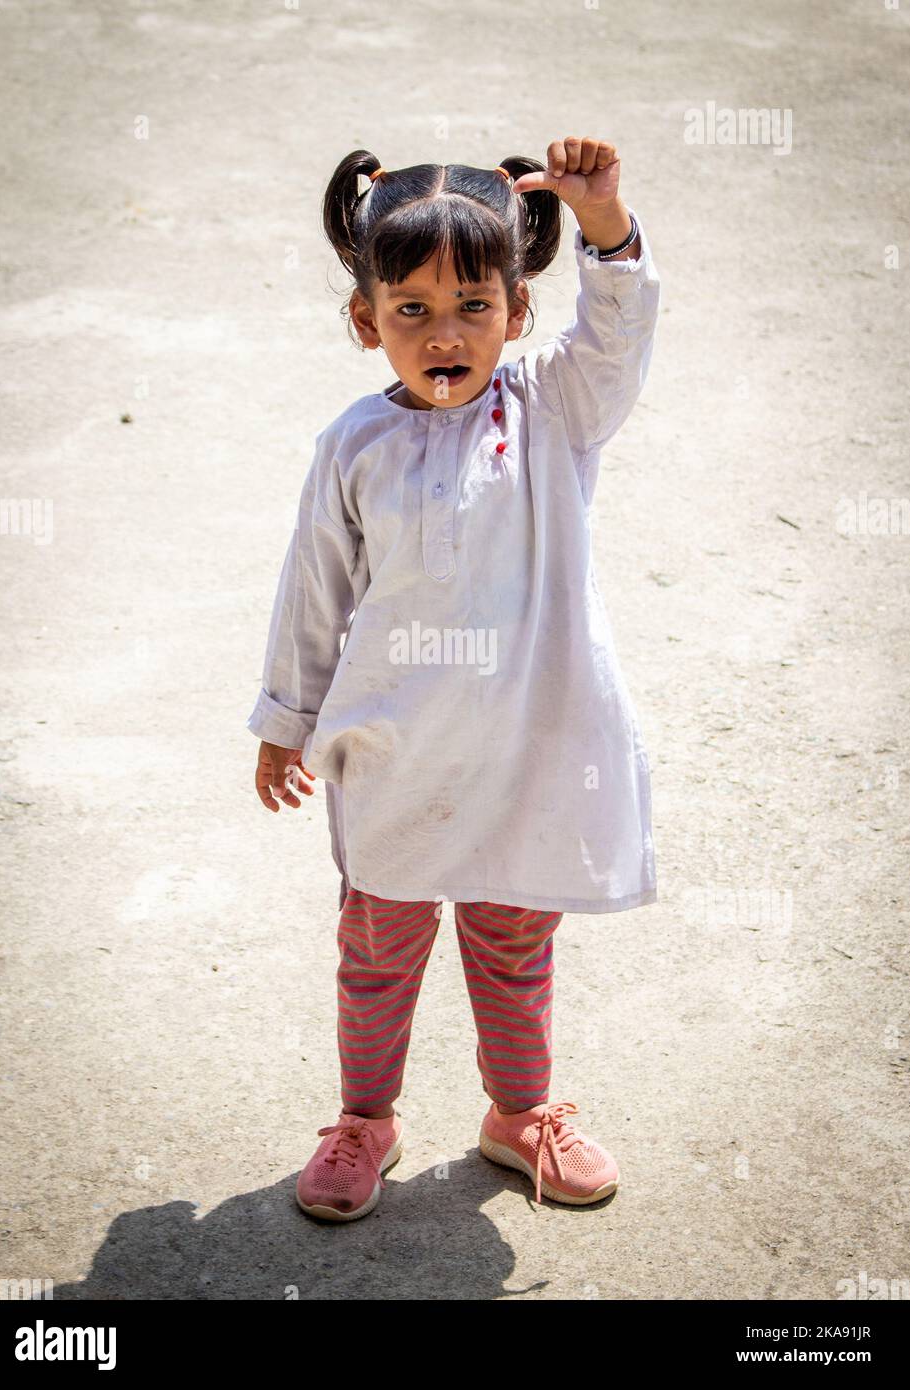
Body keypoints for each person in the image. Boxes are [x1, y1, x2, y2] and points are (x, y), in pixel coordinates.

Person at [247, 136, 661, 1221]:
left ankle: (518, 1115)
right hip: (393, 757)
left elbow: (615, 338)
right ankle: (364, 1122)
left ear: (517, 312)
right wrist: (286, 721)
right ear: (364, 318)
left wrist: (605, 223)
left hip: (525, 752)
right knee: (377, 949)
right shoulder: (353, 447)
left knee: (513, 943)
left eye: (473, 305)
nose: (445, 333)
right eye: (412, 309)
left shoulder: (549, 413)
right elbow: (313, 593)